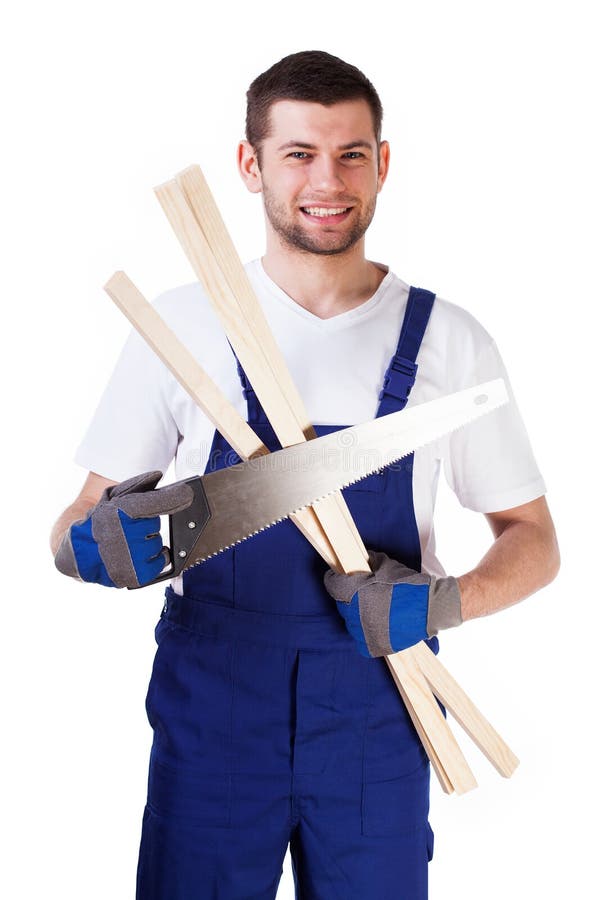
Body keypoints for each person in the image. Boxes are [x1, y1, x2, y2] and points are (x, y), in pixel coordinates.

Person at [51, 50, 560, 900]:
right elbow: (72, 529)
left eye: (351, 153)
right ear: (250, 165)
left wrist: (446, 603)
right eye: (298, 154)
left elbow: (536, 542)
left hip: (380, 707)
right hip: (213, 714)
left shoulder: (450, 342)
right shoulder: (185, 326)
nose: (327, 179)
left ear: (383, 163)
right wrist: (97, 547)